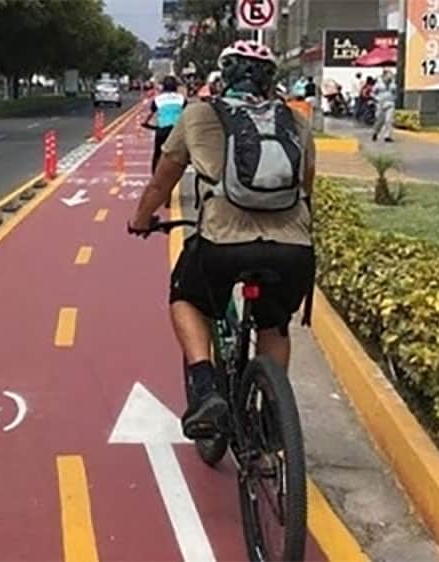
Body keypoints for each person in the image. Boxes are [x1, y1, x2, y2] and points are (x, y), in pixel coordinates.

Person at [127, 40, 316, 438]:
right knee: (274, 323)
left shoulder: (199, 115)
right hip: (292, 248)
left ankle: (205, 388)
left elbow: (161, 183)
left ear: (223, 76)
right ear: (270, 80)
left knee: (186, 298)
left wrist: (141, 220)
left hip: (223, 241)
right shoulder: (296, 122)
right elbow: (307, 188)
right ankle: (272, 417)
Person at [372, 70, 396, 142]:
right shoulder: (378, 84)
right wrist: (377, 99)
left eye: (391, 76)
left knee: (388, 120)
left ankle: (387, 136)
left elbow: (395, 93)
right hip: (381, 104)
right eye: (388, 76)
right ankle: (375, 132)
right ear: (384, 76)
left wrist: (393, 98)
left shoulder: (393, 84)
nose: (390, 77)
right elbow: (373, 93)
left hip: (390, 104)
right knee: (380, 121)